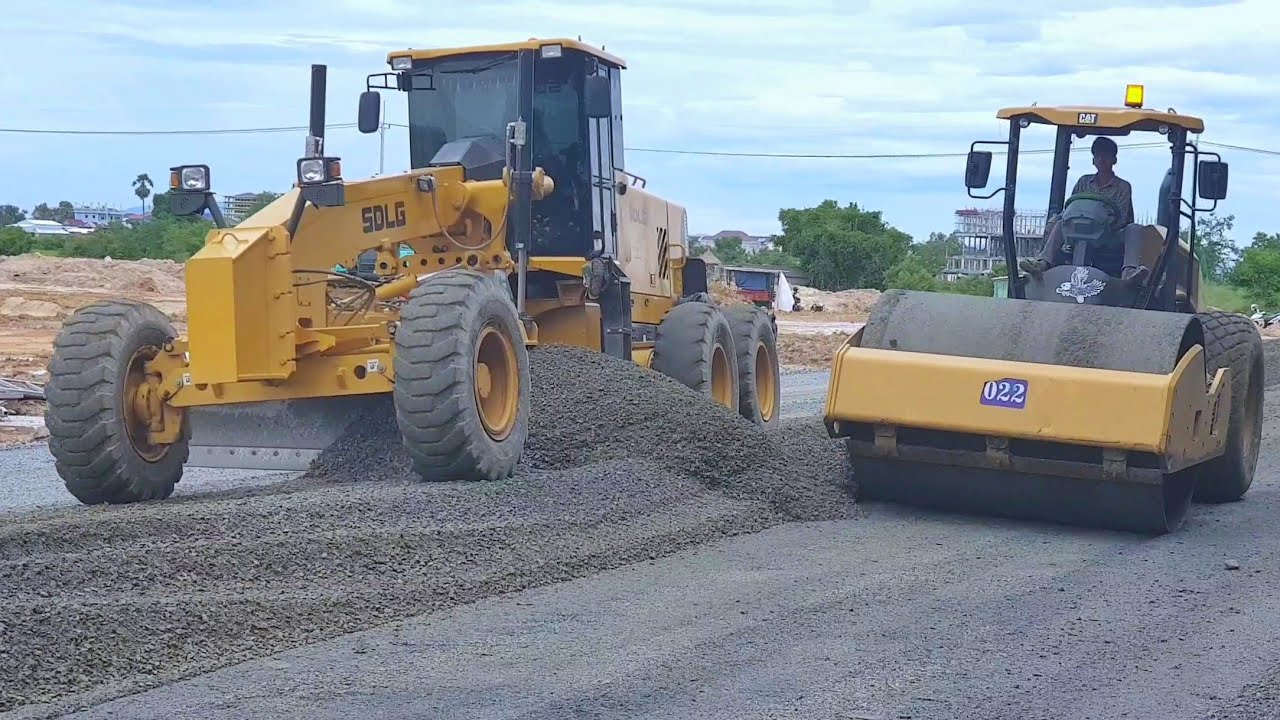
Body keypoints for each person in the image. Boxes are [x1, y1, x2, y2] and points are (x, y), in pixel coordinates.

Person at [1019, 136, 1145, 281]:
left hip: (1109, 236)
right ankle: (1043, 263)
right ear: (1093, 160)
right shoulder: (1083, 182)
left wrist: (1101, 226)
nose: (1101, 160)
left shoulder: (1123, 187)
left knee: (1134, 229)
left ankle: (1129, 272)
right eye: (1097, 156)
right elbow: (1072, 208)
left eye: (1105, 156)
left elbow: (1122, 218)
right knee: (1059, 222)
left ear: (1114, 160)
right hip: (1077, 232)